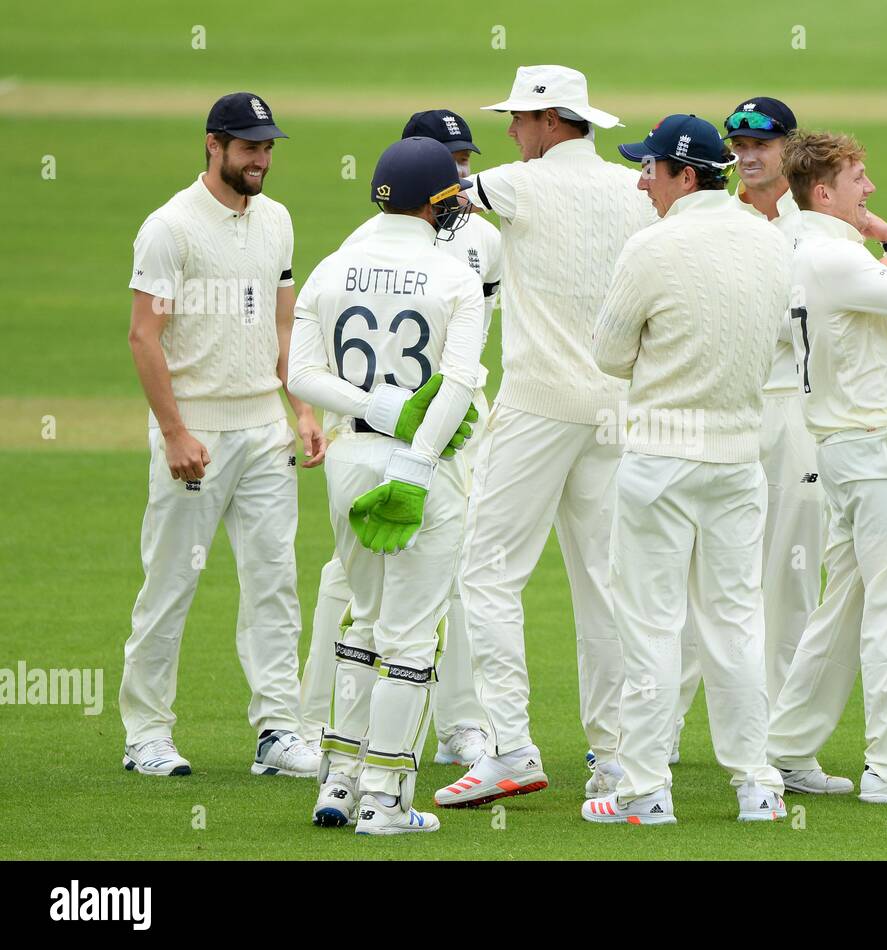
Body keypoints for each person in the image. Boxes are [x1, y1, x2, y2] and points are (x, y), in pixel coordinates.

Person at [434, 65, 657, 809]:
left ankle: (511, 749)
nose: (509, 132)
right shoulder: (634, 191)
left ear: (553, 120)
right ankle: (618, 758)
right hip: (615, 409)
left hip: (537, 406)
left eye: (520, 119)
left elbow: (435, 194)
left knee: (487, 572)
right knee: (606, 585)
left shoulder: (517, 184)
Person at [582, 115, 792, 825]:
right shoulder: (769, 240)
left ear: (686, 175)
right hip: (739, 459)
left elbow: (609, 356)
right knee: (734, 623)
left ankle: (645, 791)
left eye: (651, 169)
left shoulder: (650, 245)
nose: (641, 181)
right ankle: (757, 785)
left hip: (662, 460)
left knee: (650, 624)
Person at [122, 92, 324, 779]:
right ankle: (146, 732)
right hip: (196, 435)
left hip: (264, 427)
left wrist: (301, 410)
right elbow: (143, 336)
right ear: (213, 144)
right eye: (249, 148)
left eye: (267, 147)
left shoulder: (278, 221)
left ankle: (278, 730)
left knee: (274, 582)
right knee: (171, 583)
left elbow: (285, 326)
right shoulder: (169, 228)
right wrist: (173, 431)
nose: (261, 159)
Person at [287, 136, 483, 833]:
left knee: (362, 621)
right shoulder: (453, 277)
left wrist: (373, 409)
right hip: (425, 470)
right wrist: (419, 455)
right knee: (411, 635)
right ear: (433, 203)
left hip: (348, 461)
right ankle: (387, 800)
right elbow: (458, 383)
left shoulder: (330, 268)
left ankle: (337, 782)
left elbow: (299, 376)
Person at [766, 130, 887, 802]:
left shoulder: (803, 248)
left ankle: (786, 748)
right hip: (876, 450)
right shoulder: (832, 257)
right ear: (825, 191)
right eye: (859, 179)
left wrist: (882, 241)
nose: (869, 190)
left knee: (843, 606)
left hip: (845, 449)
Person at [671, 97, 824, 767]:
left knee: (790, 581)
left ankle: (784, 749)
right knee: (687, 578)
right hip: (718, 410)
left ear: (790, 149)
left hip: (793, 411)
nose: (747, 152)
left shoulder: (816, 228)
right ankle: (650, 742)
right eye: (736, 140)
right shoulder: (712, 221)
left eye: (763, 141)